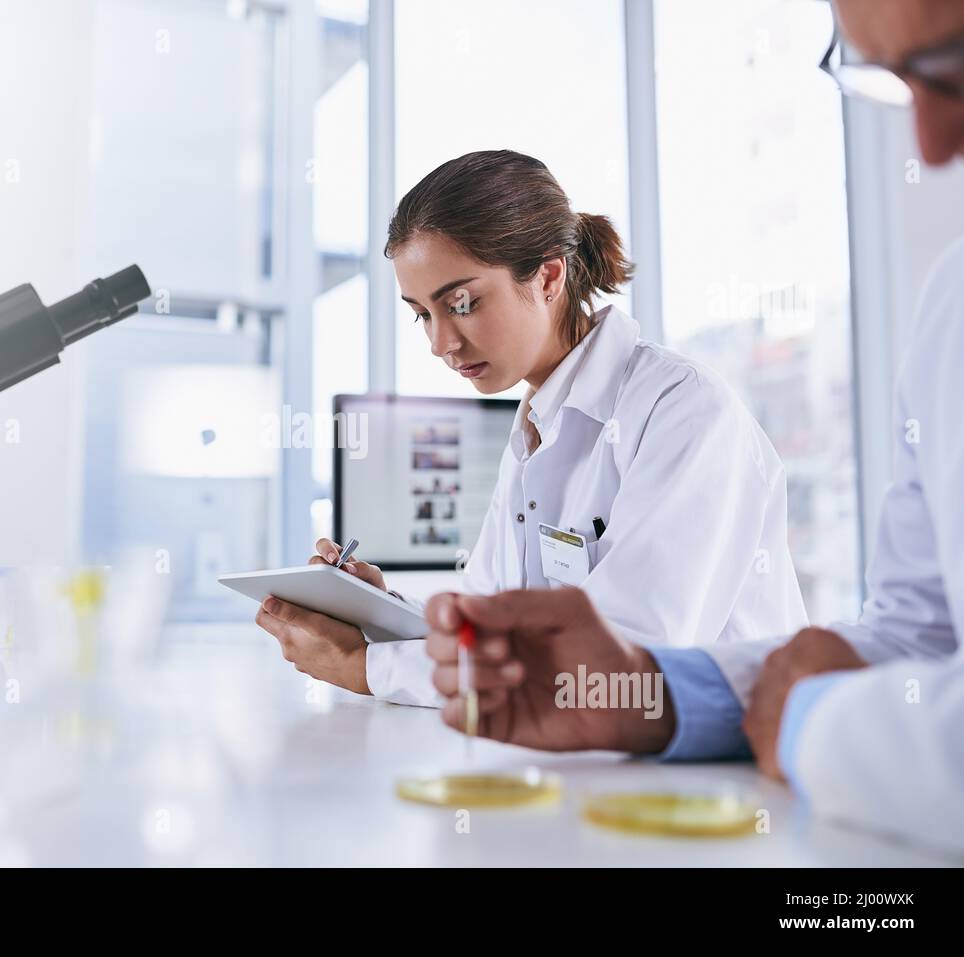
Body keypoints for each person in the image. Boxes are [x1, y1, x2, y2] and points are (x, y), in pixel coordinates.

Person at [422, 0, 964, 857]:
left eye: (950, 67)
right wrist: (659, 696)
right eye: (896, 82)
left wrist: (814, 722)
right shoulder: (951, 303)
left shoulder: (685, 411)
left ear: (548, 277)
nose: (929, 145)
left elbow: (653, 632)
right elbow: (919, 639)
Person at [256, 150, 807, 706]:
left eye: (462, 303)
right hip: (602, 765)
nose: (440, 343)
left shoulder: (683, 412)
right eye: (423, 313)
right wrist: (379, 618)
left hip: (722, 773)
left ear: (548, 275)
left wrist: (368, 668)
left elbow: (624, 666)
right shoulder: (534, 431)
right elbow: (494, 633)